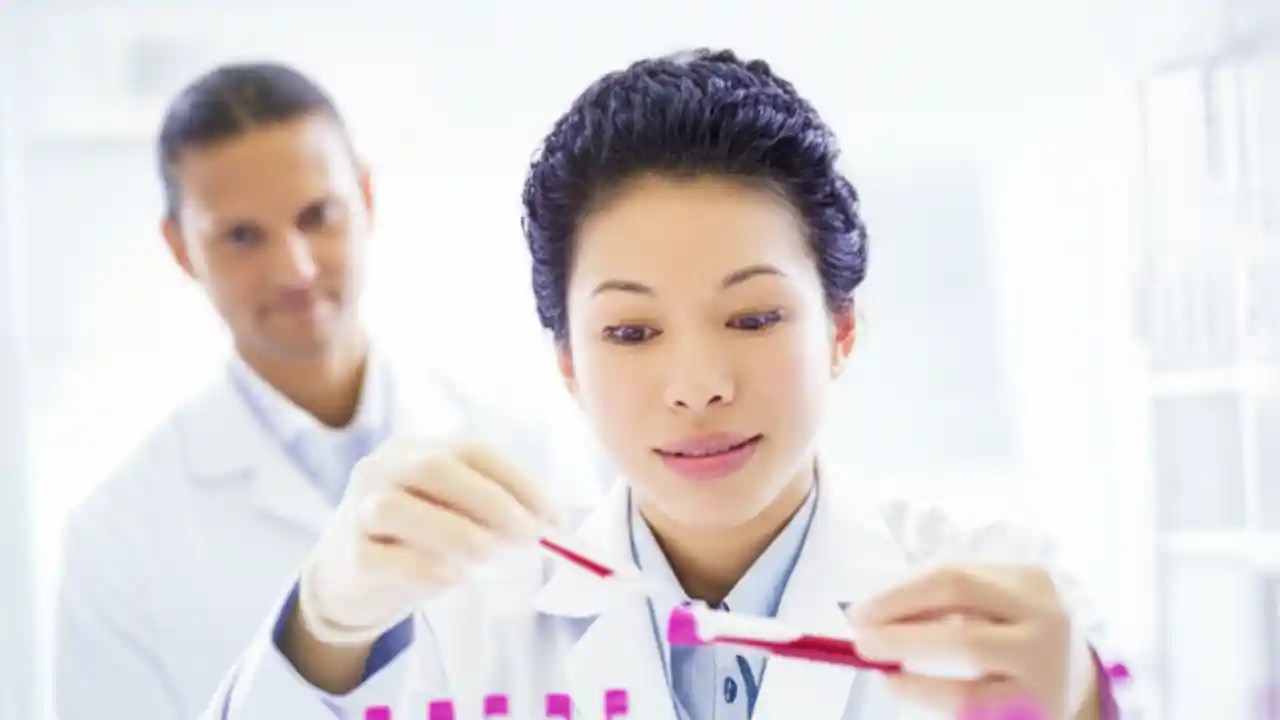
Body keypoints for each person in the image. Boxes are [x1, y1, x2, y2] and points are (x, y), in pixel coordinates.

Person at [205, 50, 1123, 719]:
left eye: (754, 317)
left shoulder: (996, 597)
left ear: (841, 328)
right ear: (569, 365)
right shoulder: (472, 626)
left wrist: (1081, 706)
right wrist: (322, 624)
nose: (696, 385)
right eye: (632, 331)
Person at [54, 62, 596, 720]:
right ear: (180, 248)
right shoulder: (115, 539)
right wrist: (315, 634)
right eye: (242, 236)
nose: (295, 268)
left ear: (365, 198)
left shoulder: (523, 436)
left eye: (317, 216)